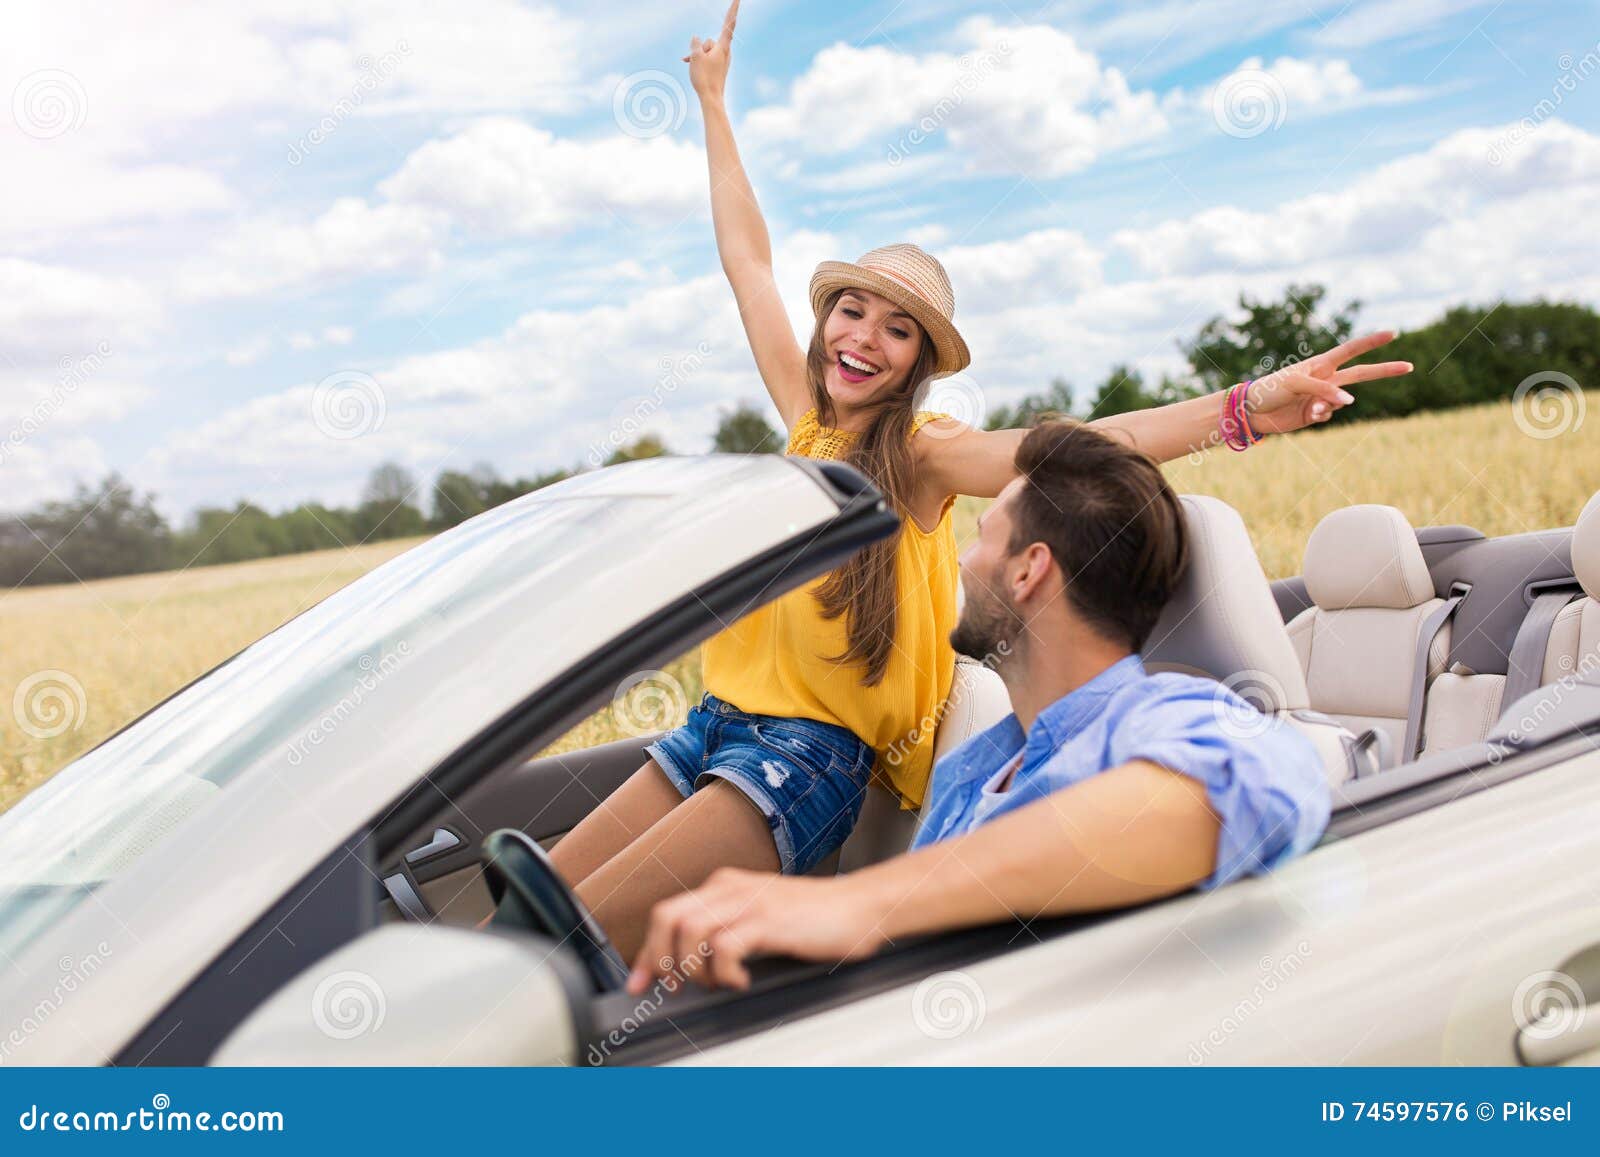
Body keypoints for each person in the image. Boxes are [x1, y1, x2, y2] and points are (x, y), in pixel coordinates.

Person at [547, 0, 1405, 962]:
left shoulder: (921, 453)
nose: (862, 338)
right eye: (851, 311)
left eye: (896, 329)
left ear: (919, 361)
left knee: (567, 953)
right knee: (528, 920)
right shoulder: (805, 418)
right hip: (714, 724)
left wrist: (1244, 407)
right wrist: (712, 102)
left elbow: (1072, 445)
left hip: (798, 757)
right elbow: (747, 262)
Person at [626, 419, 1332, 992]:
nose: (963, 560)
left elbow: (1261, 778)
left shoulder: (1156, 714)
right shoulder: (972, 769)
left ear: (1029, 570)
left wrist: (857, 902)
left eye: (984, 534)